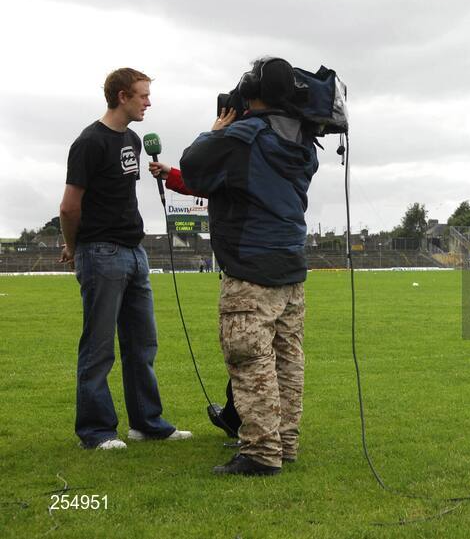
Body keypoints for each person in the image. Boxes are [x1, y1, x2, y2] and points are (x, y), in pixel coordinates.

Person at [150, 57, 317, 475]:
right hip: (291, 266)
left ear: (251, 90)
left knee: (250, 360)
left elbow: (195, 164)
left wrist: (217, 127)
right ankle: (286, 443)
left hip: (250, 268)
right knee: (287, 359)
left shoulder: (244, 135)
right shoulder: (302, 137)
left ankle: (261, 453)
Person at [59, 67, 191, 450]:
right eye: (143, 95)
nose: (149, 102)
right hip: (101, 253)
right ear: (121, 96)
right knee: (99, 348)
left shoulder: (134, 139)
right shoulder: (89, 142)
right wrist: (74, 246)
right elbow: (69, 207)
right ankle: (97, 431)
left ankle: (147, 423)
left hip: (135, 253)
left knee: (142, 345)